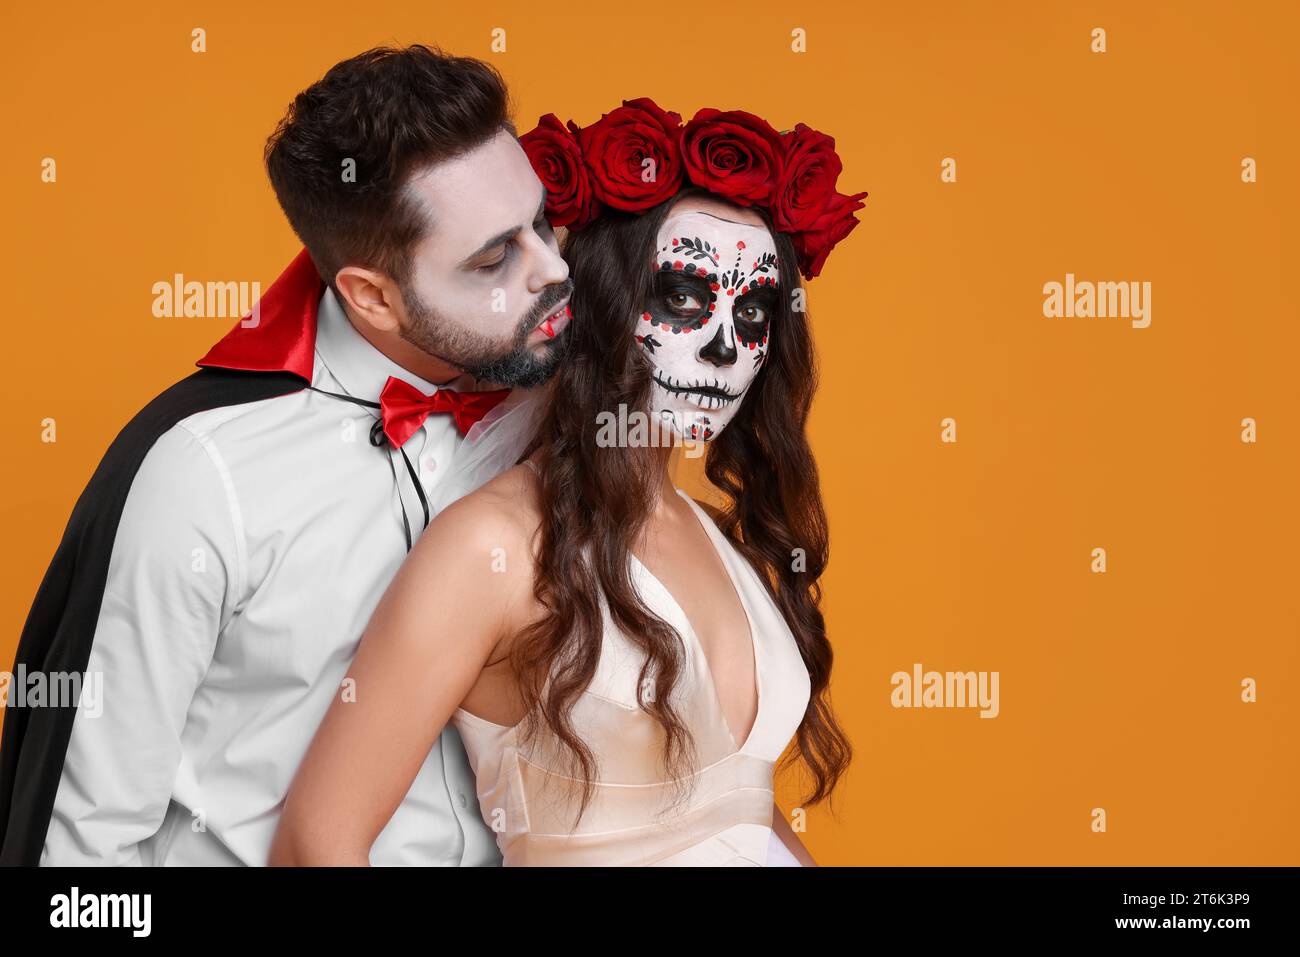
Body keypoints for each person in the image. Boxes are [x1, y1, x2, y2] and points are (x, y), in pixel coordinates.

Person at [0, 44, 573, 866]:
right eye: (493, 260)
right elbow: (79, 853)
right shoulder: (199, 476)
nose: (554, 269)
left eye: (542, 223)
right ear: (370, 294)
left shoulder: (561, 414)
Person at [271, 100, 863, 866]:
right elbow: (315, 844)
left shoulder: (718, 538)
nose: (726, 347)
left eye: (753, 311)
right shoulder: (492, 545)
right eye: (682, 297)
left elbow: (738, 821)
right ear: (603, 305)